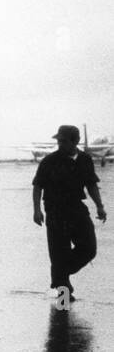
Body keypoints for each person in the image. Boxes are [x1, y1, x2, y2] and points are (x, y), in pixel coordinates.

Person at [33, 124, 106, 300]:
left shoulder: (85, 159)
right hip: (55, 211)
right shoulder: (49, 161)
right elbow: (38, 186)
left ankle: (59, 273)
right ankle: (63, 297)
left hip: (77, 209)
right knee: (59, 251)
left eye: (63, 141)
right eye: (58, 141)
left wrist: (100, 206)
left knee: (89, 248)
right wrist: (37, 210)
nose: (60, 144)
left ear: (75, 141)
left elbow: (91, 184)